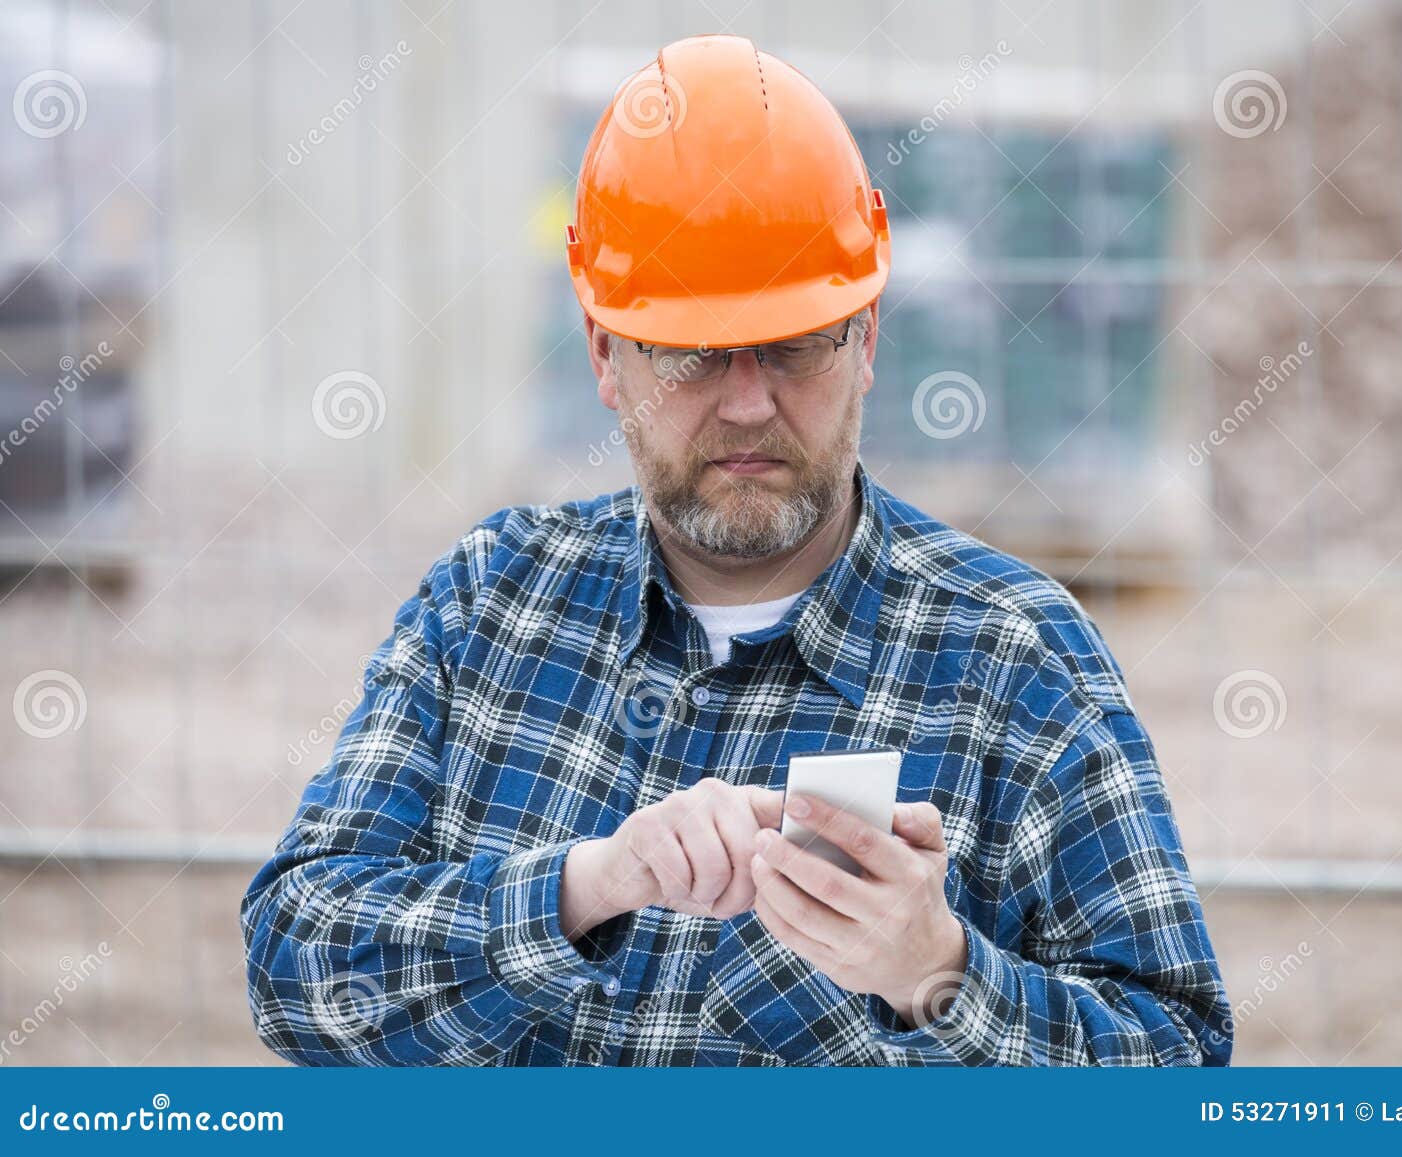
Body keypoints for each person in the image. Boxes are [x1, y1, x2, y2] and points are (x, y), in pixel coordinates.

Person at [240, 32, 1232, 1066]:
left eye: (795, 346)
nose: (749, 403)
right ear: (605, 357)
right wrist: (587, 886)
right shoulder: (491, 604)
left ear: (867, 341)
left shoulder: (1012, 659)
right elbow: (294, 971)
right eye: (696, 354)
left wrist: (937, 972)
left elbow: (1173, 1068)